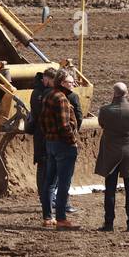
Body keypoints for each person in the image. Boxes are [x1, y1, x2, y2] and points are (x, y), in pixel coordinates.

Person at [95, 82, 129, 232]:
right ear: (127, 93)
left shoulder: (105, 110)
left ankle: (108, 223)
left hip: (111, 153)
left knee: (110, 188)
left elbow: (102, 125)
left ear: (114, 94)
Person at [42, 70, 81, 229]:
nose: (73, 85)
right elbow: (65, 126)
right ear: (62, 83)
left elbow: (42, 121)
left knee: (49, 182)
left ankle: (47, 217)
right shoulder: (62, 99)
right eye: (71, 82)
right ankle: (61, 219)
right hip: (63, 145)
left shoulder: (48, 95)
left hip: (50, 143)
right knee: (64, 183)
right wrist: (73, 141)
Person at [26, 67, 58, 222]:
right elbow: (40, 114)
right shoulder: (38, 94)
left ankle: (50, 197)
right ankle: (44, 197)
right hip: (42, 135)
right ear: (46, 79)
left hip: (48, 135)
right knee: (43, 165)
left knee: (50, 167)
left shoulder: (45, 92)